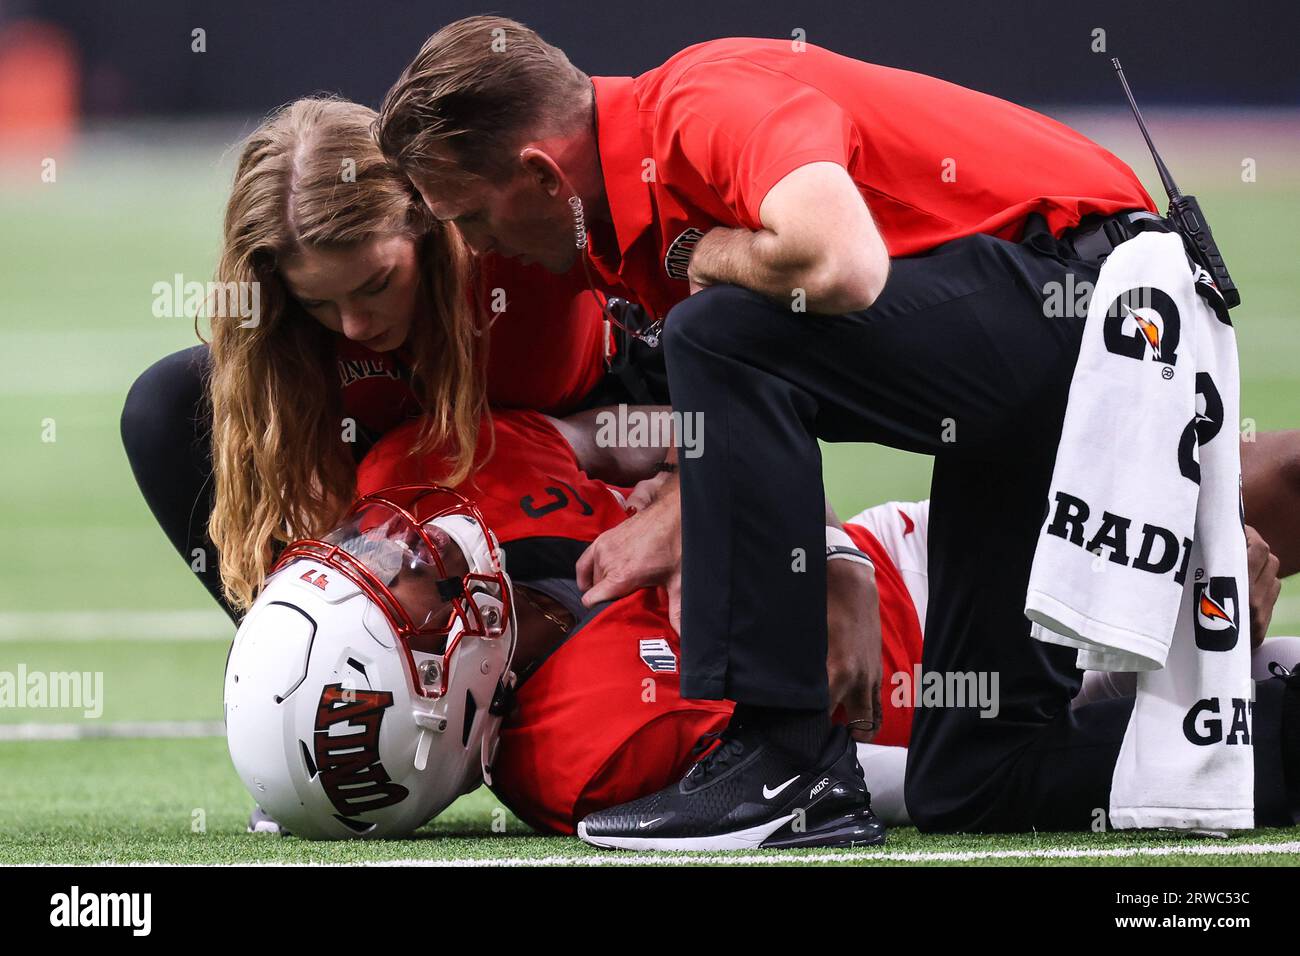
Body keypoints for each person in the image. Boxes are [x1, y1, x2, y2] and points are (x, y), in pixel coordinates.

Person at [372, 15, 1222, 841]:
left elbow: (838, 263)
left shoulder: (698, 106)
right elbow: (749, 425)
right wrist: (822, 559)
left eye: (472, 217)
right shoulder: (621, 212)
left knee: (720, 332)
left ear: (542, 174)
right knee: (979, 775)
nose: (477, 246)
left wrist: (704, 260)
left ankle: (785, 759)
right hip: (1043, 345)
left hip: (1101, 303)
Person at [229, 405, 1300, 841]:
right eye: (397, 590)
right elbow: (865, 774)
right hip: (958, 688)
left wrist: (703, 488)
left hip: (906, 552)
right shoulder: (582, 753)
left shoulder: (430, 473)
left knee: (1258, 481)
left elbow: (654, 418)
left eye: (368, 556)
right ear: (435, 708)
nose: (408, 547)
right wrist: (1175, 696)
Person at [120, 96, 626, 620]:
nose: (356, 326)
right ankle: (294, 654)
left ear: (425, 220)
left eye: (377, 284)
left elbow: (688, 363)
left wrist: (665, 481)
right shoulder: (285, 325)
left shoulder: (518, 245)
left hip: (577, 478)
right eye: (317, 302)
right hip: (409, 490)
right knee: (164, 402)